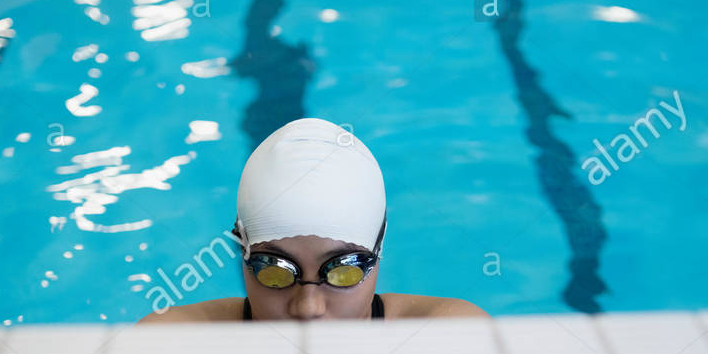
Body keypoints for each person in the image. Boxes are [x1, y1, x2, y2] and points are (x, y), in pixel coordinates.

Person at [137, 118, 488, 323]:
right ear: (239, 250)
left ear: (379, 251)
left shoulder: (448, 334)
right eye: (273, 271)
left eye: (343, 271)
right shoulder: (172, 342)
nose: (308, 308)